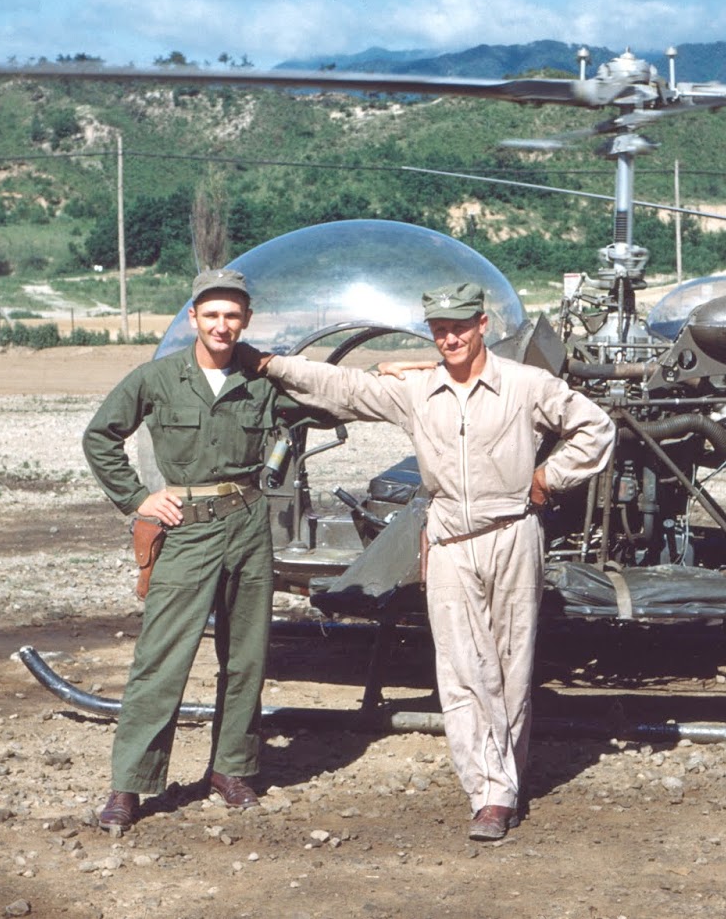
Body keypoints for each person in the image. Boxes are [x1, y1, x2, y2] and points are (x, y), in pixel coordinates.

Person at [244, 281, 615, 841]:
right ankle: (489, 795)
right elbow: (343, 387)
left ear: (482, 325)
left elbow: (596, 428)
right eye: (440, 330)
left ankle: (505, 778)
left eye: (460, 327)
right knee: (461, 670)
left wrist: (548, 478)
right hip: (448, 541)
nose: (450, 339)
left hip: (512, 534)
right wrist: (271, 364)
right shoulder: (418, 390)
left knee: (511, 665)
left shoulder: (526, 385)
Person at [82, 267, 320, 834]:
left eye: (232, 315)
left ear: (246, 320)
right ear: (193, 317)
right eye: (211, 314)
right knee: (161, 658)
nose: (221, 325)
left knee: (246, 656)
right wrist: (138, 499)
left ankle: (231, 768)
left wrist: (395, 372)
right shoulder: (158, 378)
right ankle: (129, 785)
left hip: (248, 525)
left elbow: (329, 401)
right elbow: (100, 436)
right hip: (186, 530)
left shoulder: (262, 381)